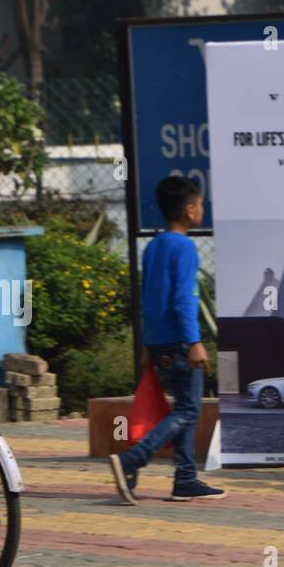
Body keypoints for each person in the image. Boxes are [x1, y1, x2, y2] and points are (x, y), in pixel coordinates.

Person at [108, 176, 224, 504]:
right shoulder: (184, 246)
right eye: (200, 204)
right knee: (187, 409)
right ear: (189, 210)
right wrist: (194, 341)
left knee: (184, 409)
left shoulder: (155, 246)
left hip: (159, 341)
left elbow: (149, 297)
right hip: (179, 342)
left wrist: (147, 344)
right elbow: (184, 298)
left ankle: (185, 479)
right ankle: (133, 459)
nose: (203, 209)